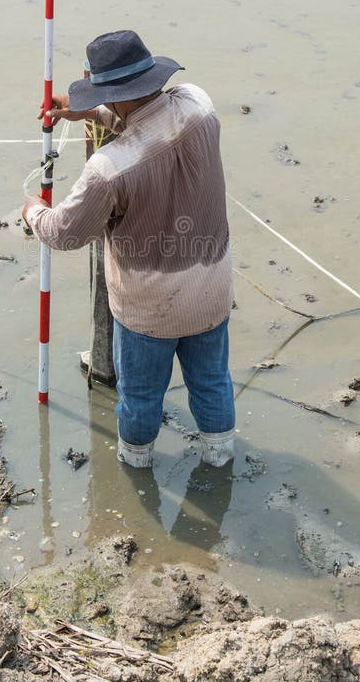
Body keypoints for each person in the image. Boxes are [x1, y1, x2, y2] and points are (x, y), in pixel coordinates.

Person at [22, 30, 235, 468]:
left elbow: (65, 233)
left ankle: (135, 465)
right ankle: (220, 456)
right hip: (212, 286)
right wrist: (95, 113)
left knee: (139, 398)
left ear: (111, 93)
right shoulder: (200, 105)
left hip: (147, 310)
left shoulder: (108, 169)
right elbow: (149, 124)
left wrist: (32, 213)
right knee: (212, 382)